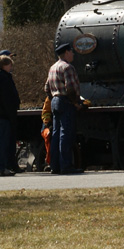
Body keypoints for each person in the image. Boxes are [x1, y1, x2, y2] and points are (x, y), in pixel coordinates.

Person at [44, 43, 83, 174]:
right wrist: (76, 102)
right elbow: (71, 88)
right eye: (71, 52)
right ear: (66, 53)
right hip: (66, 101)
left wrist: (53, 98)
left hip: (55, 101)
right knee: (65, 134)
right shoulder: (67, 68)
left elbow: (46, 88)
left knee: (55, 134)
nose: (73, 54)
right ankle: (66, 165)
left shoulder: (52, 68)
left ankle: (55, 165)